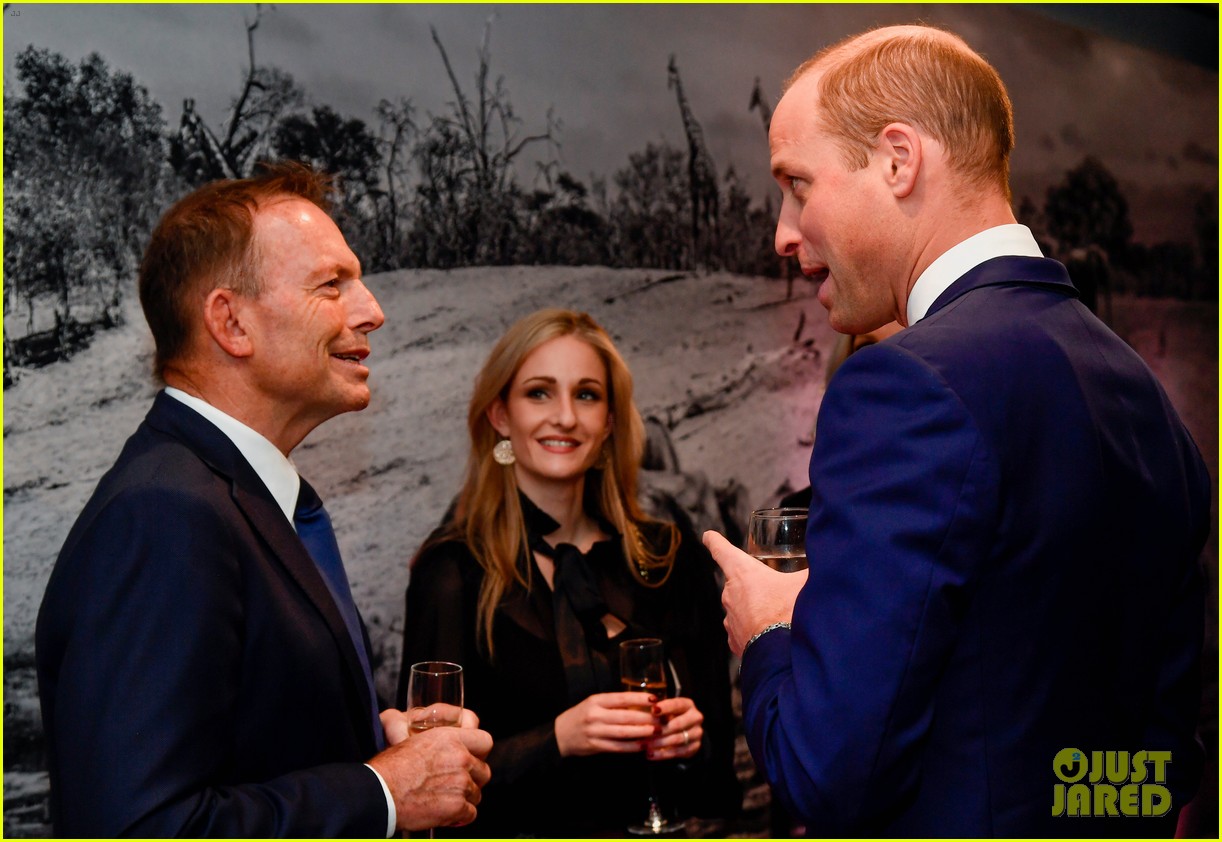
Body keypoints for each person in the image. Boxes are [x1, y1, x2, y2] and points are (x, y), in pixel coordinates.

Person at [703, 24, 1210, 837]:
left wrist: (767, 632)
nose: (783, 233)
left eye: (798, 185)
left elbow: (824, 779)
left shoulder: (906, 386)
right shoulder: (1147, 402)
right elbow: (1155, 773)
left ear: (898, 161)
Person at [35, 163, 492, 837]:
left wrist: (367, 743)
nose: (373, 310)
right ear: (232, 322)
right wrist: (381, 792)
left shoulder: (233, 494)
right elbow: (136, 826)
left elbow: (241, 750)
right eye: (331, 285)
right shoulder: (165, 514)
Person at [399, 308, 740, 836]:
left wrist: (691, 744)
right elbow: (426, 788)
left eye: (586, 394)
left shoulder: (668, 557)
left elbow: (718, 765)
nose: (565, 416)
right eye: (538, 392)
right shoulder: (451, 574)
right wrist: (560, 737)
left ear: (608, 422)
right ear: (500, 416)